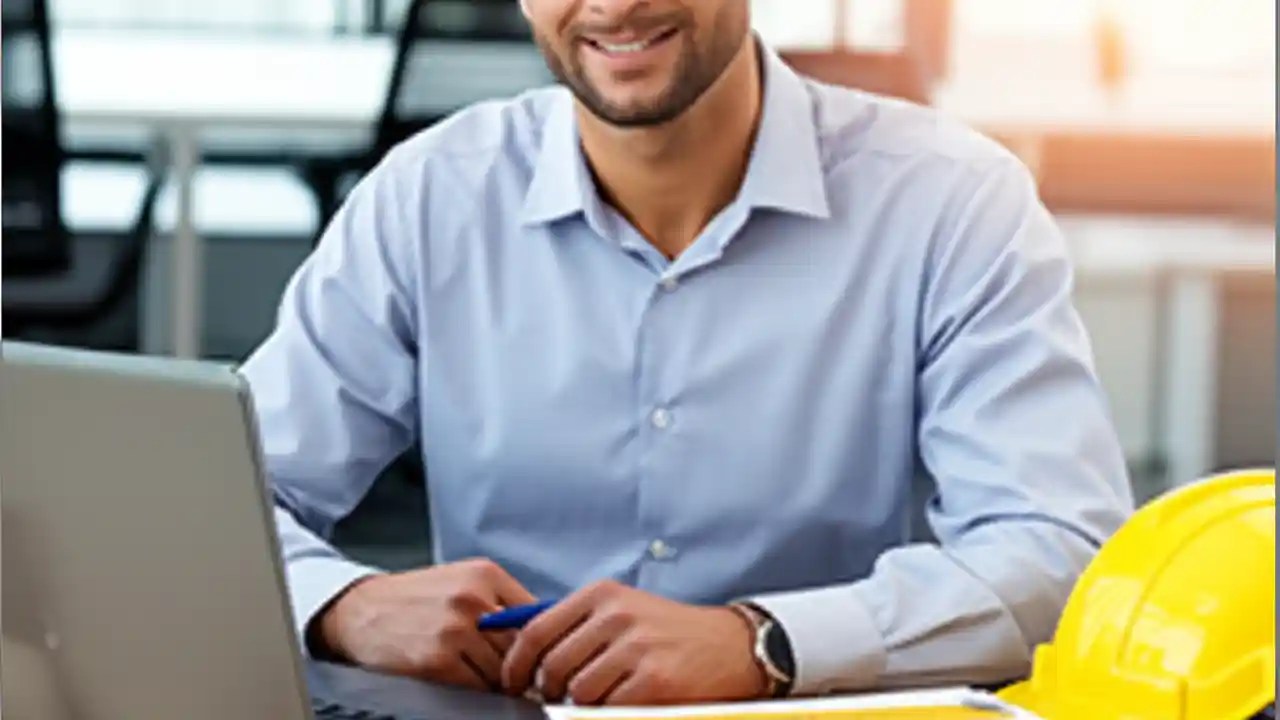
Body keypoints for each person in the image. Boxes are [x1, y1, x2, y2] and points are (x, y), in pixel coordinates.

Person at [241, 0, 1133, 707]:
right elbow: (222, 502)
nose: (616, 5)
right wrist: (342, 607)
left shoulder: (951, 201)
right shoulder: (429, 197)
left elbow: (1059, 552)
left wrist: (764, 642)